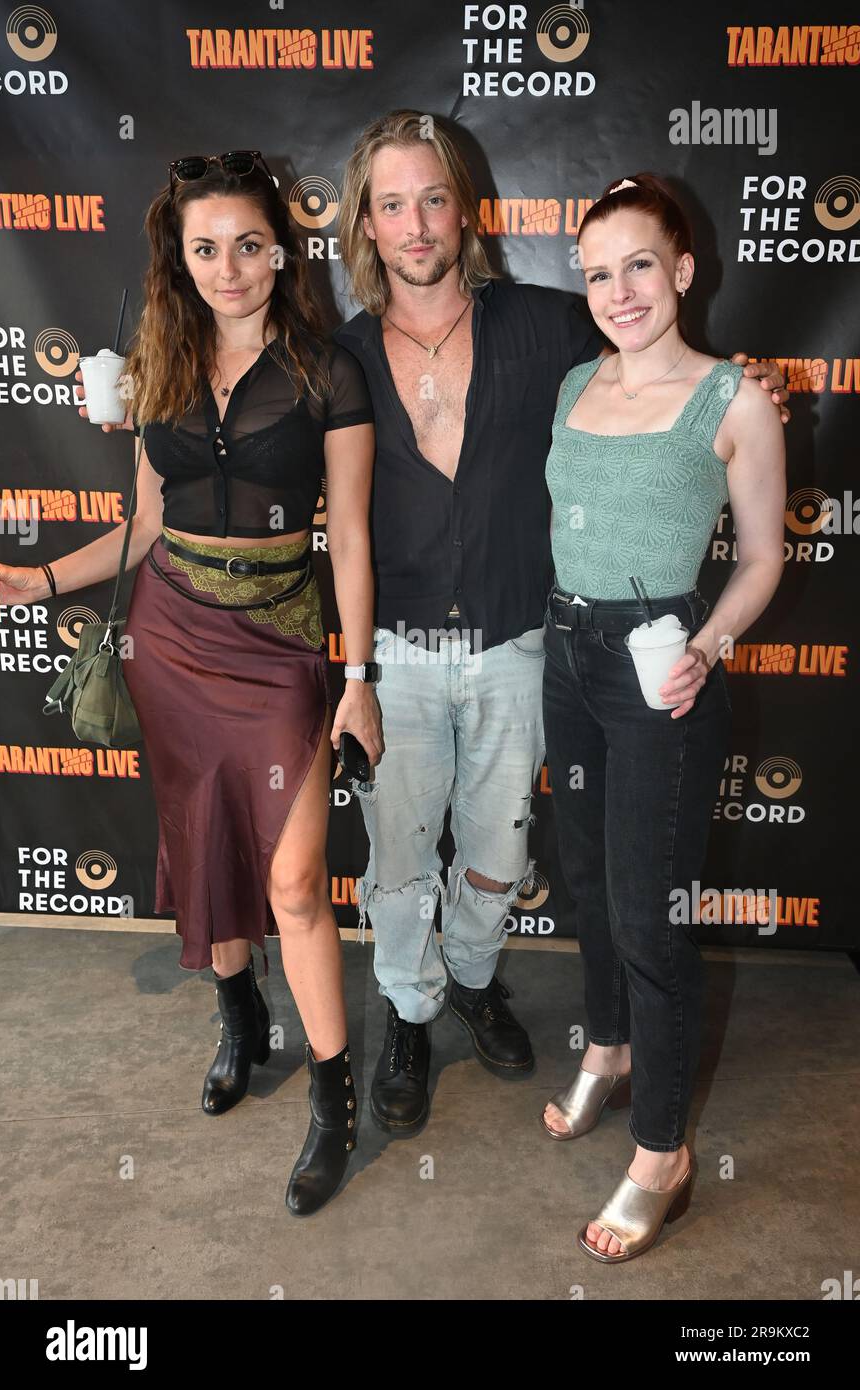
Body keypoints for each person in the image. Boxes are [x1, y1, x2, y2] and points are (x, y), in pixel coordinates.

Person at [332, 110, 789, 1137]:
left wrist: (750, 388)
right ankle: (410, 1012)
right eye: (393, 203)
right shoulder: (339, 356)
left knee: (500, 846)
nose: (417, 224)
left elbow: (660, 365)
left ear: (466, 211)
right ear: (366, 220)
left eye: (435, 198)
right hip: (398, 652)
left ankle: (480, 979)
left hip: (522, 647)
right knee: (400, 855)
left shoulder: (551, 326)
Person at [0, 149, 381, 1217]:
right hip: (170, 637)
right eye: (205, 248)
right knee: (200, 841)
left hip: (282, 639)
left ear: (280, 249)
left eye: (248, 245)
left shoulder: (326, 371)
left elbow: (347, 537)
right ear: (180, 254)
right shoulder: (157, 366)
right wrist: (34, 579)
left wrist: (359, 678)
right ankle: (238, 1017)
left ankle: (334, 1098)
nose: (229, 268)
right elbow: (147, 526)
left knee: (297, 880)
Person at [539, 173, 786, 1262]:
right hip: (566, 650)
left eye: (640, 264)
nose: (619, 290)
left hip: (660, 667)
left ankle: (661, 1154)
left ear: (683, 270)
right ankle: (610, 1046)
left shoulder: (735, 400)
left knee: (650, 916)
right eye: (597, 272)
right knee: (587, 881)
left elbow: (766, 555)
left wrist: (706, 647)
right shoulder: (572, 385)